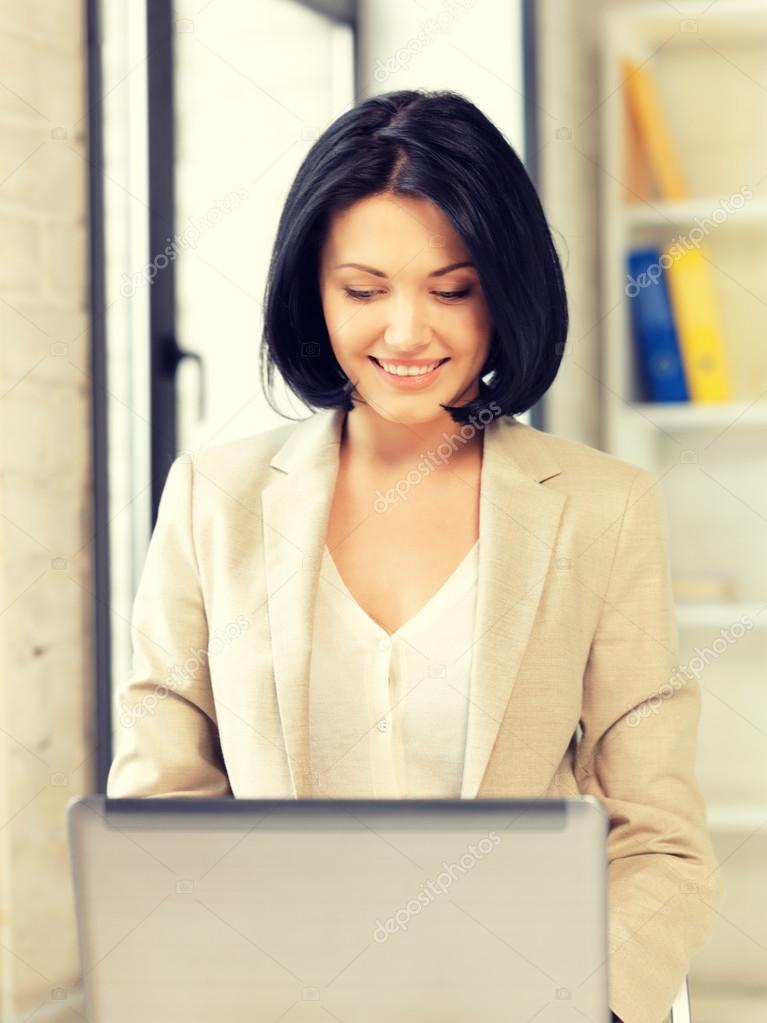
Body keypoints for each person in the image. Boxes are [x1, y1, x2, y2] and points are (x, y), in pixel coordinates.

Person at [107, 89, 721, 1023]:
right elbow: (162, 810)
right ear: (313, 293)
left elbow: (658, 842)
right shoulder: (212, 500)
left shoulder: (601, 509)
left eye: (451, 289)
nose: (404, 333)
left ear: (504, 289)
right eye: (363, 290)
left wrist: (582, 1002)